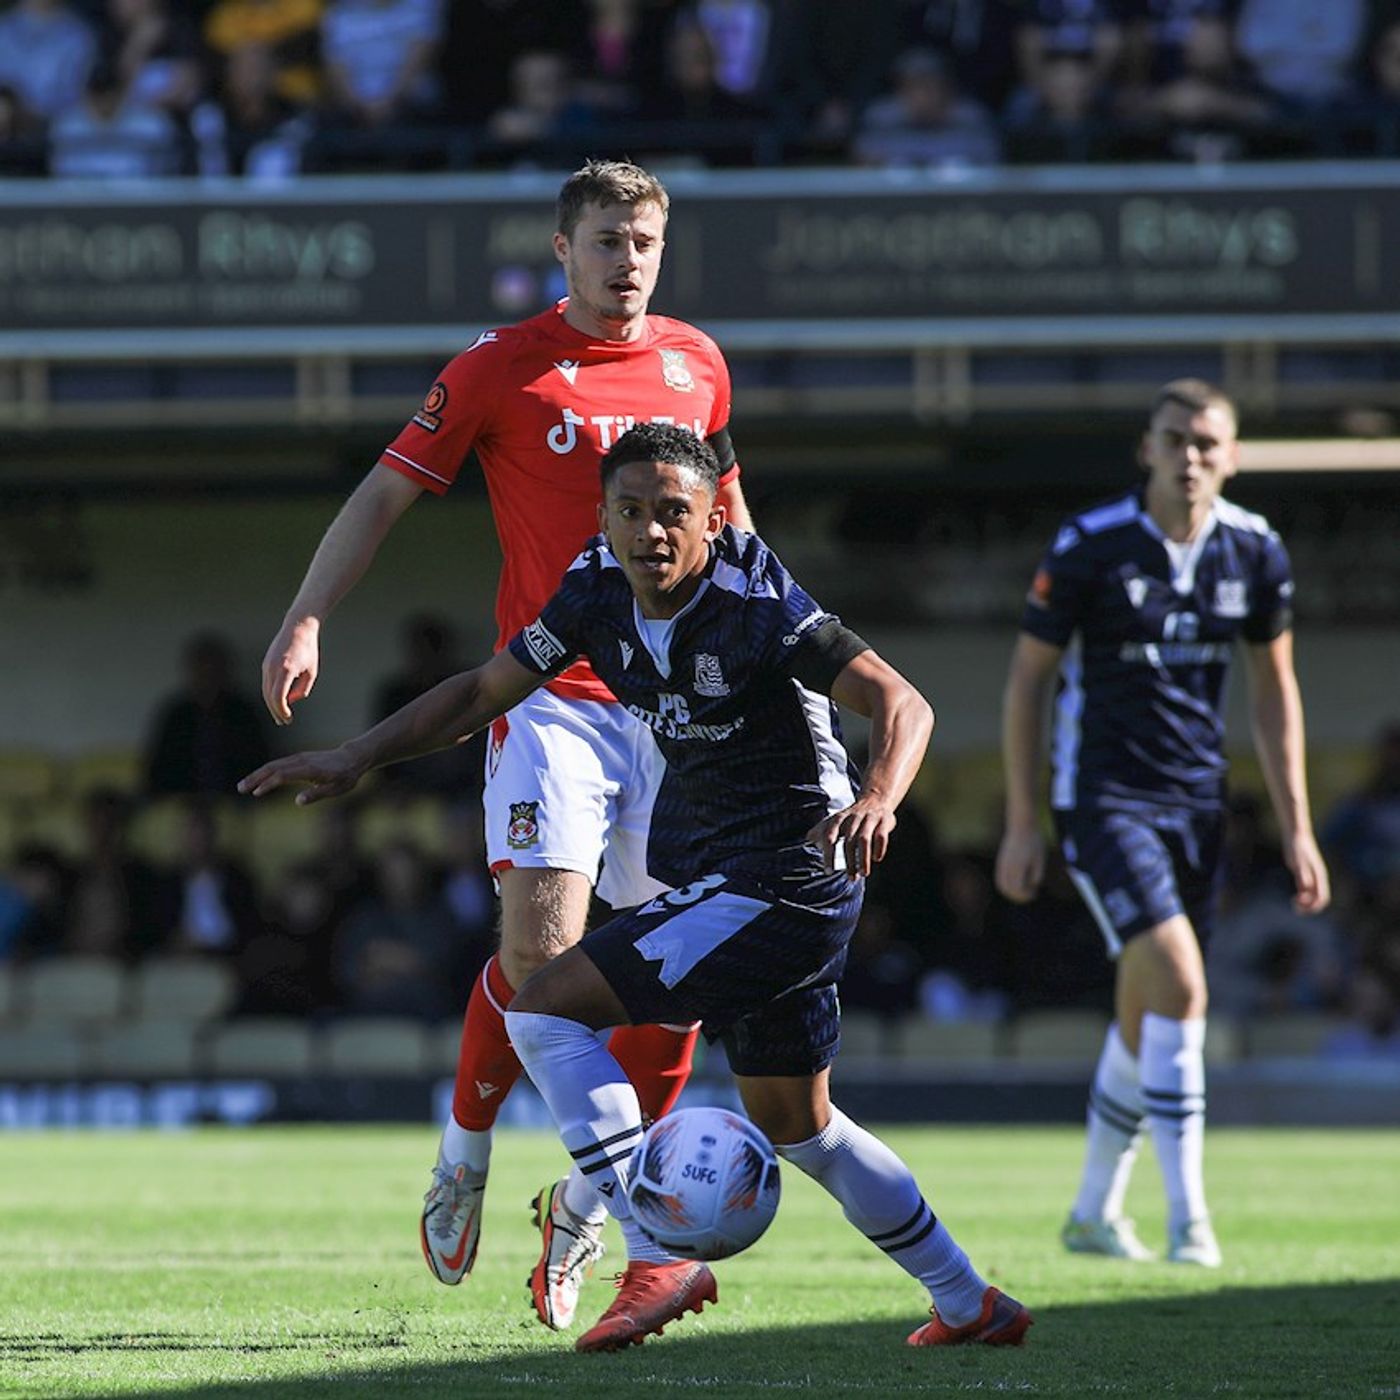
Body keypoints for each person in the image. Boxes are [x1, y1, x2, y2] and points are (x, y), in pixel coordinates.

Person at [242, 423, 1032, 1353]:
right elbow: (482, 693)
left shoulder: (754, 599)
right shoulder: (594, 589)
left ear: (711, 520)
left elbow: (902, 700)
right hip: (743, 880)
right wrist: (358, 754)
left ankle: (655, 1254)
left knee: (543, 1011)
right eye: (630, 511)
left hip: (786, 876)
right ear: (604, 517)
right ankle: (968, 1300)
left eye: (673, 513)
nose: (651, 531)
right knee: (801, 1126)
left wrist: (879, 798)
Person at [258, 159, 753, 1322]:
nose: (626, 262)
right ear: (561, 248)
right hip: (552, 701)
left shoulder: (696, 362)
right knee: (541, 956)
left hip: (677, 708)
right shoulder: (499, 366)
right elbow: (382, 492)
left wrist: (774, 659)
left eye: (643, 243)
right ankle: (466, 1148)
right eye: (605, 241)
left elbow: (730, 520)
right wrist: (306, 614)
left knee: (672, 979)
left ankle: (581, 1207)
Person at [995, 379, 1331, 1269]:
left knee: (1147, 1011)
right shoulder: (1091, 544)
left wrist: (1298, 828)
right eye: (1175, 439)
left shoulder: (1255, 549)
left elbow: (1274, 690)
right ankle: (1191, 1222)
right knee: (1182, 982)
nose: (1190, 457)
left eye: (1207, 443)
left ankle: (1091, 1213)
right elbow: (1028, 681)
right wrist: (1024, 821)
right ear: (1146, 449)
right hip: (1102, 798)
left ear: (1233, 457)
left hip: (1199, 806)